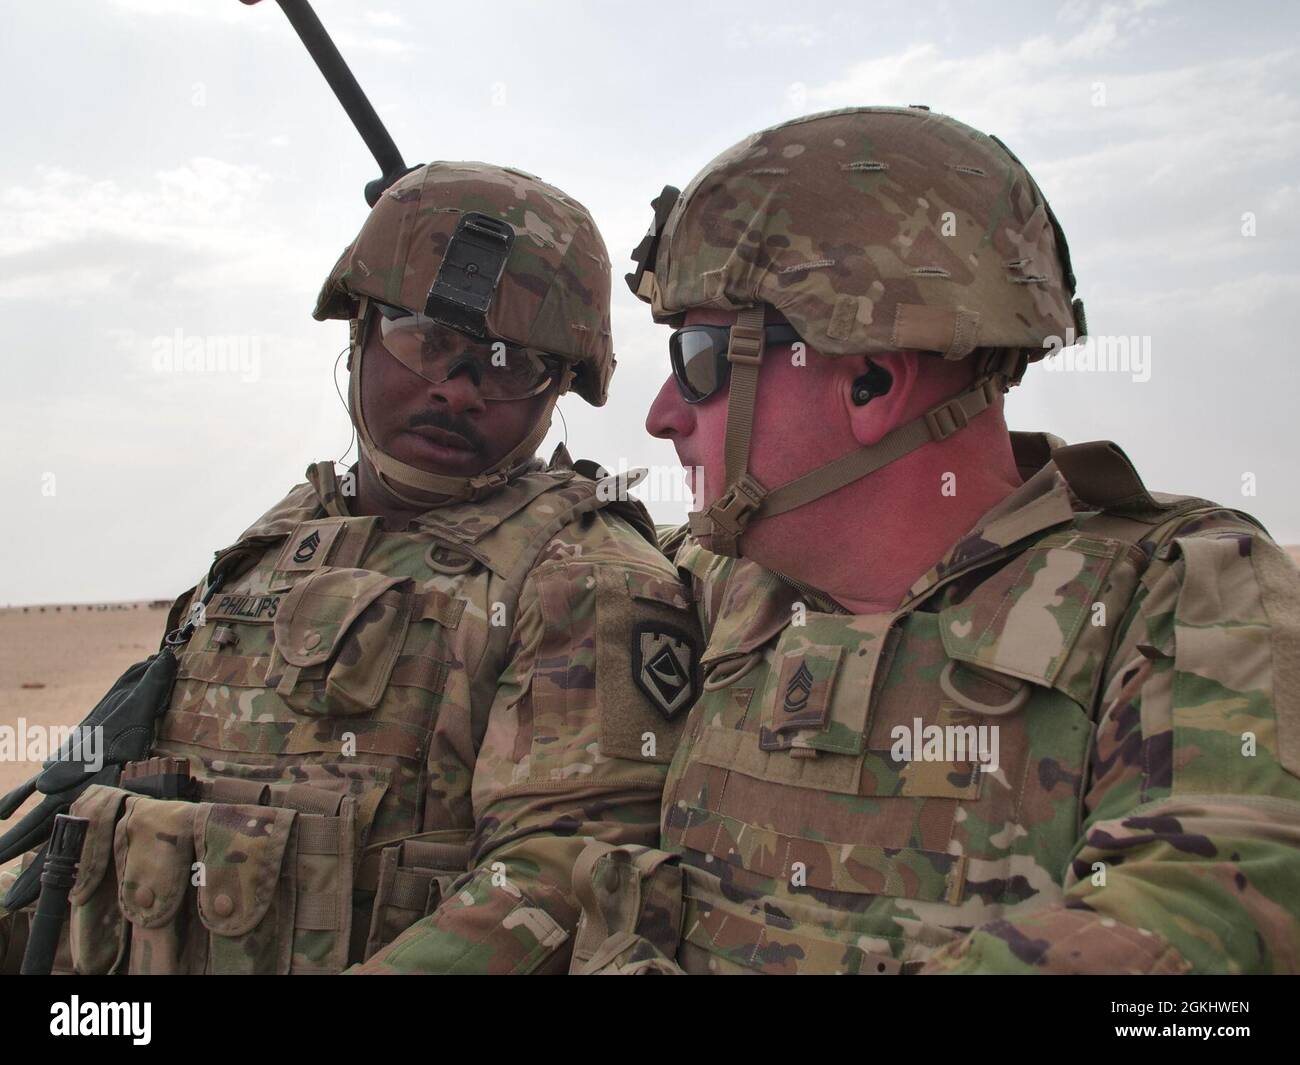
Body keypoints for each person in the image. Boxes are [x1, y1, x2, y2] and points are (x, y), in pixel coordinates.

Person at [567, 107, 1300, 975]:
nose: (660, 417)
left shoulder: (1185, 596)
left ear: (871, 379)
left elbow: (1205, 939)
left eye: (698, 357)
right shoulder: (725, 586)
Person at [0, 161, 700, 975]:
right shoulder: (272, 545)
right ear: (359, 328)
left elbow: (564, 881)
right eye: (427, 339)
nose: (459, 389)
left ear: (560, 390)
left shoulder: (588, 576)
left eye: (510, 363)